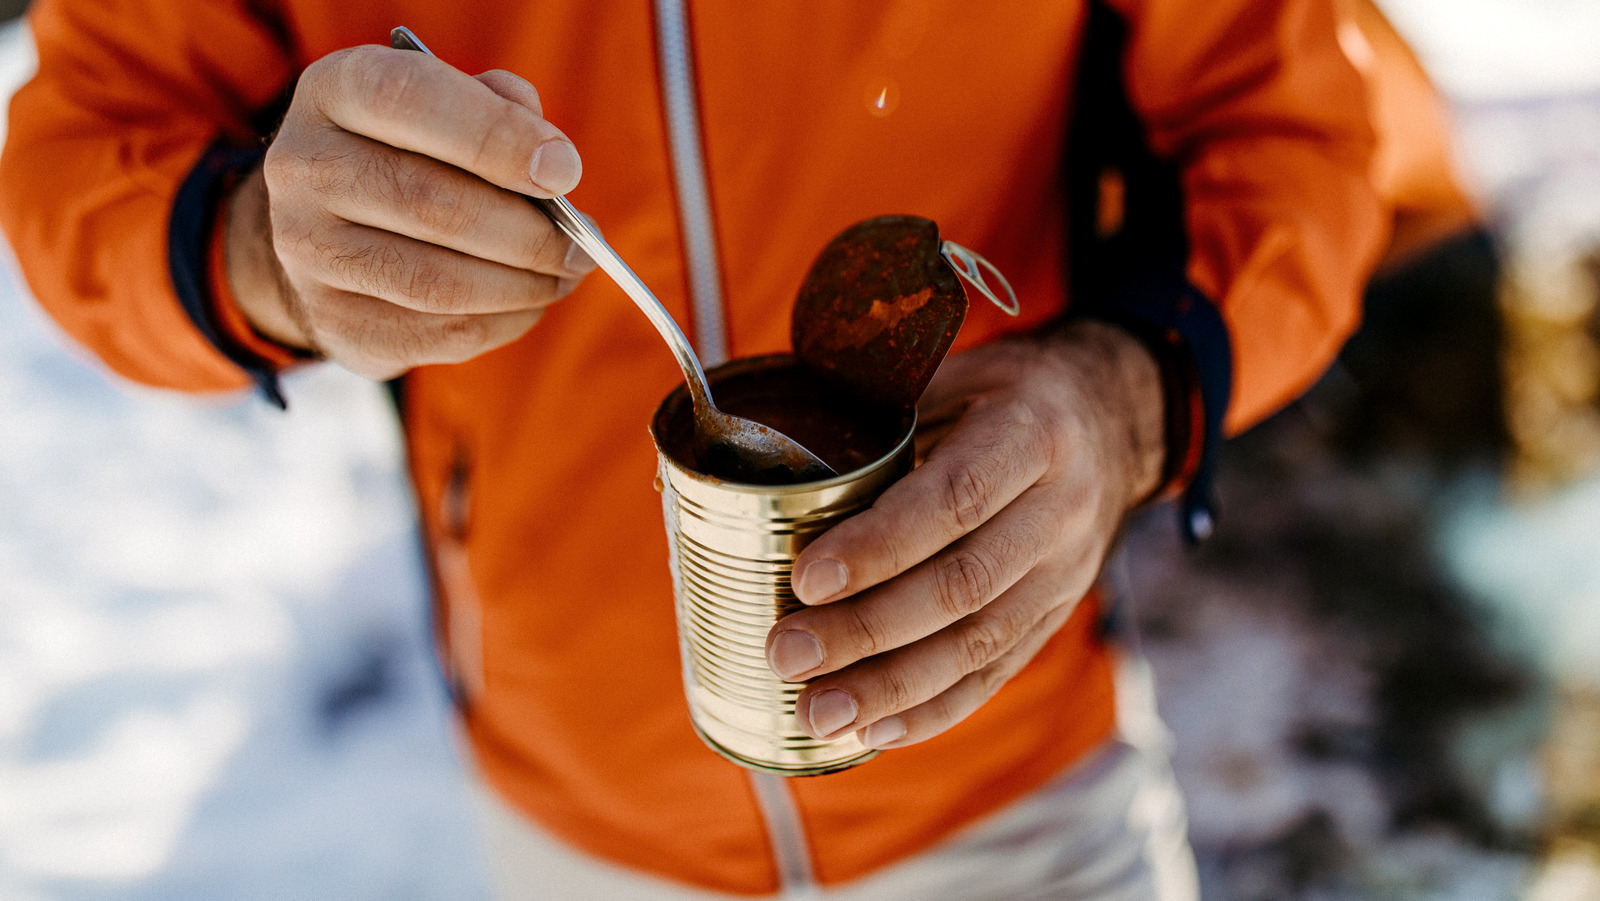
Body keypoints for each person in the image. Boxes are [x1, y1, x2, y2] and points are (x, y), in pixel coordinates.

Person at [0, 0, 1385, 897]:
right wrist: (256, 253)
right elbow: (79, 144)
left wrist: (1125, 395)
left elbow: (1296, 129)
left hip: (1015, 787)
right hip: (575, 829)